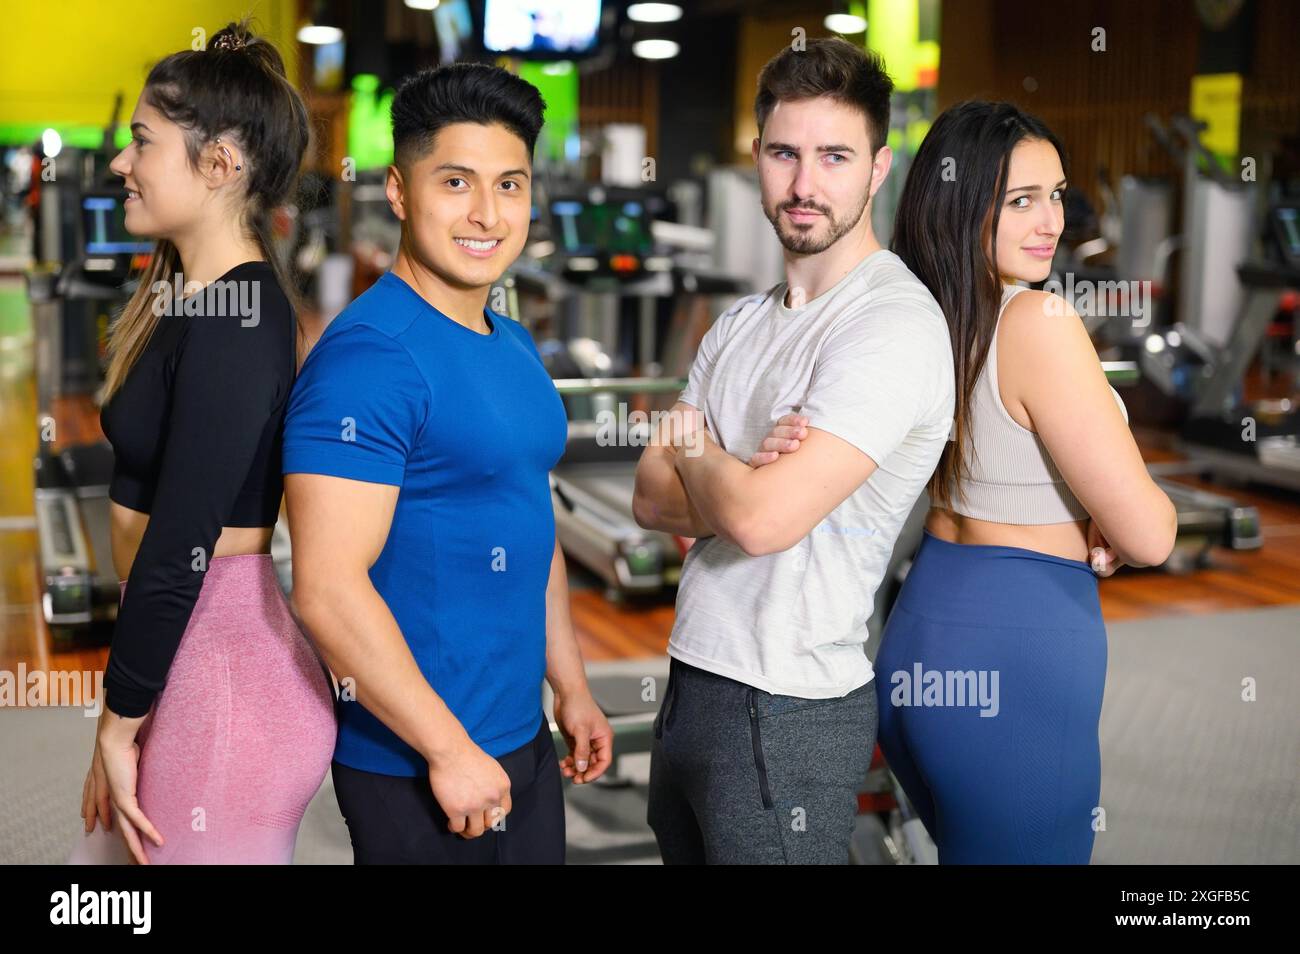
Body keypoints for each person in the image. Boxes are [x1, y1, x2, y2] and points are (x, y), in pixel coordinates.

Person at [632, 37, 955, 864]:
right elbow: (646, 496)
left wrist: (701, 448)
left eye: (835, 156)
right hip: (694, 677)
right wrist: (737, 470)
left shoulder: (890, 324)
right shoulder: (742, 322)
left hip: (788, 703)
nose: (805, 184)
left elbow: (765, 519)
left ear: (879, 169)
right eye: (785, 153)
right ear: (757, 160)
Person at [281, 63, 613, 864]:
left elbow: (527, 517)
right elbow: (325, 590)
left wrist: (568, 681)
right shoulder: (367, 359)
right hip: (415, 759)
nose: (487, 214)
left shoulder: (514, 340)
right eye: (456, 182)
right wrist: (446, 749)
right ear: (398, 190)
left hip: (518, 740)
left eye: (510, 185)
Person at [874, 100, 1177, 862]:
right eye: (1020, 201)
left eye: (1057, 195)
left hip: (921, 634)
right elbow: (1152, 533)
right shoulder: (1039, 321)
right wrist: (1110, 514)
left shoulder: (920, 314)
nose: (1051, 220)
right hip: (1016, 657)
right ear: (961, 202)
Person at [73, 20, 334, 864]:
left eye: (141, 143)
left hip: (222, 681)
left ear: (220, 165)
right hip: (183, 663)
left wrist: (120, 720)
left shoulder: (241, 318)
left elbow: (180, 544)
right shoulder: (197, 302)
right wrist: (131, 707)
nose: (121, 163)